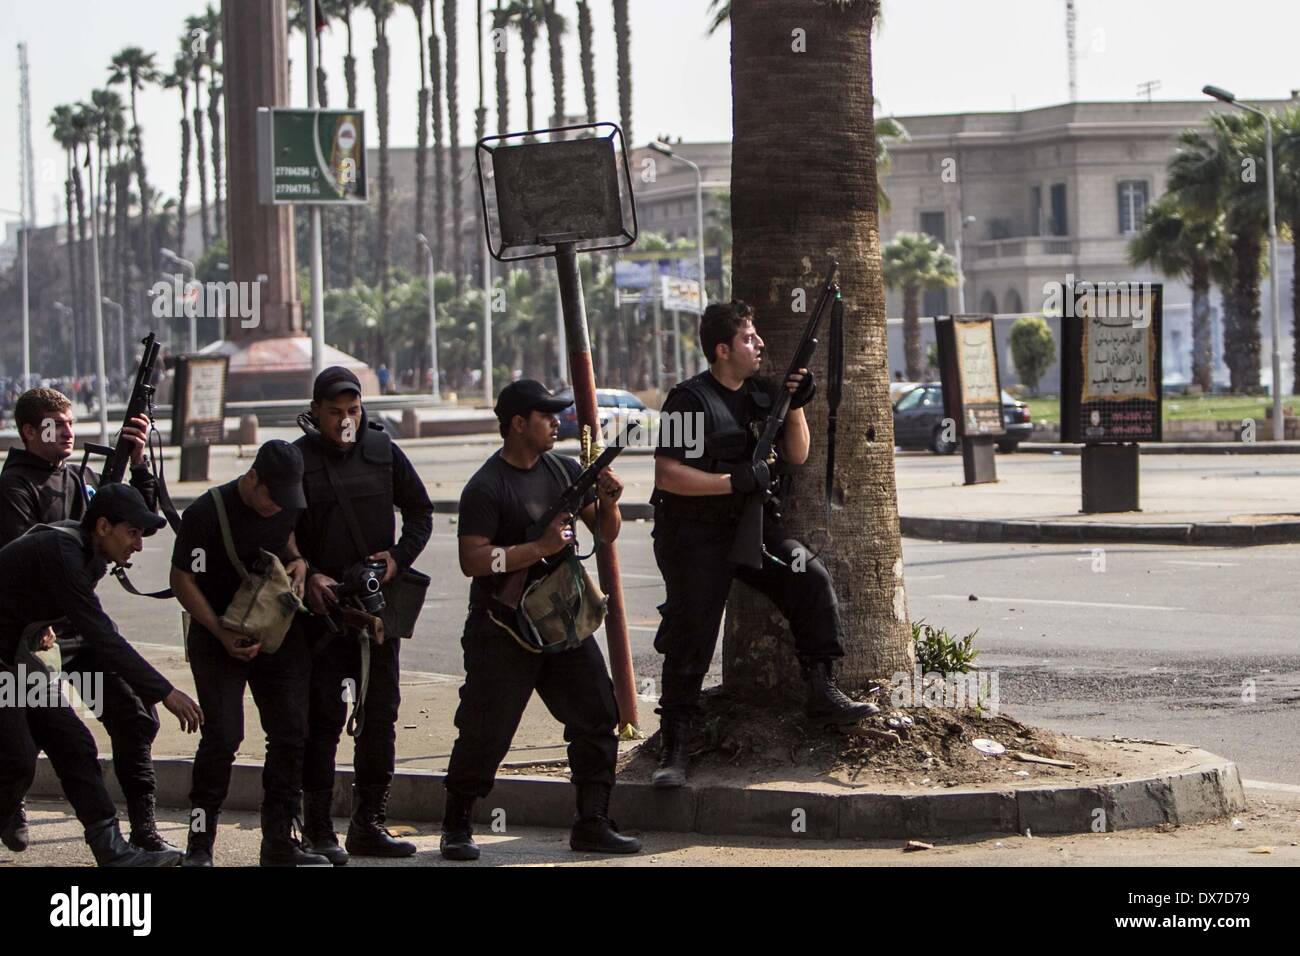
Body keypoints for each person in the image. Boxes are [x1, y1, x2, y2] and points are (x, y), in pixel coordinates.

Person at [649, 300, 878, 789]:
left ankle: (821, 690)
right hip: (694, 534)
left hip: (752, 526)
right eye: (749, 338)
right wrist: (734, 481)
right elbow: (668, 475)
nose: (759, 345)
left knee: (809, 579)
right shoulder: (689, 400)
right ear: (722, 349)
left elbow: (797, 453)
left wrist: (793, 404)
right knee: (692, 635)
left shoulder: (760, 393)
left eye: (756, 337)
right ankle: (676, 749)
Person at [440, 379, 640, 861]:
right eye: (545, 415)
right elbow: (472, 559)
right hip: (502, 628)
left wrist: (609, 500)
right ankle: (457, 825)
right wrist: (538, 549)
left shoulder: (563, 470)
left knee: (597, 714)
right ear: (517, 424)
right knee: (487, 730)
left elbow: (605, 532)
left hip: (560, 621)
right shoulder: (486, 486)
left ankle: (592, 822)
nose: (555, 422)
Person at [0, 387, 174, 854]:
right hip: (29, 635)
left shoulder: (82, 478)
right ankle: (10, 795)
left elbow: (136, 522)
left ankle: (142, 834)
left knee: (134, 718)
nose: (69, 434)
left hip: (74, 624)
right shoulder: (15, 487)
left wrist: (138, 464)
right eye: (57, 426)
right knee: (25, 741)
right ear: (29, 432)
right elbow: (19, 560)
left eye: (72, 423)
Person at [0, 484, 203, 866]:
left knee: (74, 743)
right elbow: (102, 636)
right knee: (17, 758)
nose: (139, 545)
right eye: (133, 533)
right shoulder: (63, 553)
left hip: (13, 655)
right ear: (104, 526)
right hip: (6, 660)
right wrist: (164, 691)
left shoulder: (88, 555)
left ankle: (111, 852)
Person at [294, 367, 434, 862]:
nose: (345, 421)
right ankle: (316, 830)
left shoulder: (383, 451)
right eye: (335, 413)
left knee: (381, 718)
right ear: (315, 412)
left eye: (353, 411)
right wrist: (307, 573)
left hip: (376, 614)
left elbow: (420, 513)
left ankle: (368, 822)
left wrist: (399, 557)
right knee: (324, 720)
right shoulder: (298, 460)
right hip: (323, 617)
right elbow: (277, 532)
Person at [169, 440, 328, 867]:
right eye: (271, 498)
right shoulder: (206, 512)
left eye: (285, 502)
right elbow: (181, 579)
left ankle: (279, 840)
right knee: (222, 737)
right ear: (252, 477)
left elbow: (285, 538)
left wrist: (297, 562)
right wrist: (220, 634)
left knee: (291, 733)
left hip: (273, 632)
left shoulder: (287, 503)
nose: (276, 508)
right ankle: (199, 844)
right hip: (215, 634)